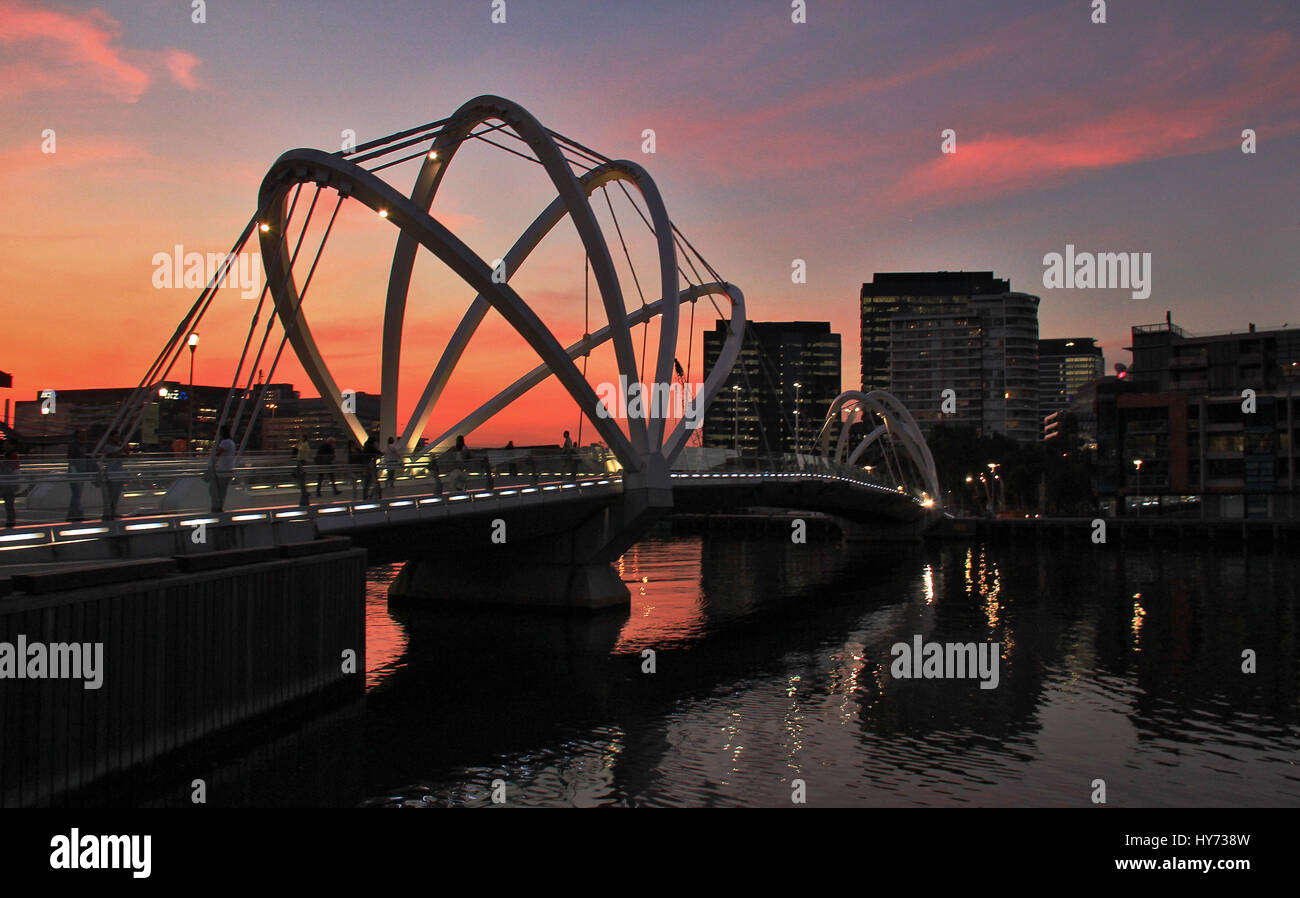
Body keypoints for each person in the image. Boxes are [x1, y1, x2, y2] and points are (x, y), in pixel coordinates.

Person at [99, 429, 127, 520]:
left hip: (119, 473)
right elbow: (112, 455)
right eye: (115, 437)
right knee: (110, 495)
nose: (117, 438)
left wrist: (126, 451)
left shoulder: (118, 446)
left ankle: (113, 511)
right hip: (111, 473)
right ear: (111, 437)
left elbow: (123, 457)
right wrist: (122, 449)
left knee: (116, 494)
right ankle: (108, 513)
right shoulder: (108, 447)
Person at [208, 425, 236, 512]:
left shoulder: (224, 442)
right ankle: (220, 506)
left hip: (223, 470)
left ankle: (217, 507)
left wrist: (212, 463)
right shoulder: (231, 442)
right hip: (229, 469)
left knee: (215, 489)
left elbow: (218, 453)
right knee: (223, 490)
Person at [67, 428, 91, 521]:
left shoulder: (83, 445)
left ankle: (73, 514)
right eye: (82, 433)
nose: (85, 435)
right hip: (75, 472)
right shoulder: (74, 444)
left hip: (80, 471)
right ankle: (75, 515)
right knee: (76, 493)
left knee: (77, 494)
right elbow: (71, 457)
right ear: (78, 435)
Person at [0, 439, 18, 528]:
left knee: (9, 503)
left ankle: (11, 520)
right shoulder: (7, 455)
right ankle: (11, 520)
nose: (4, 446)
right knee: (9, 503)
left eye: (7, 444)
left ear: (12, 445)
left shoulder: (12, 456)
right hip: (7, 482)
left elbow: (9, 468)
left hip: (9, 483)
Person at [361, 432, 381, 499]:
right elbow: (379, 452)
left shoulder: (366, 446)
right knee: (374, 481)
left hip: (366, 467)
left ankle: (366, 495)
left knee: (367, 482)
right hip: (371, 466)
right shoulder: (370, 447)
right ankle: (375, 494)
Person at [294, 435, 312, 507]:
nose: (300, 438)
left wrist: (300, 446)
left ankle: (304, 490)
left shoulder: (305, 444)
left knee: (301, 476)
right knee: (301, 476)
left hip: (302, 461)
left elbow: (304, 450)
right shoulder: (302, 444)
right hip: (300, 461)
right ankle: (303, 490)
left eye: (301, 437)